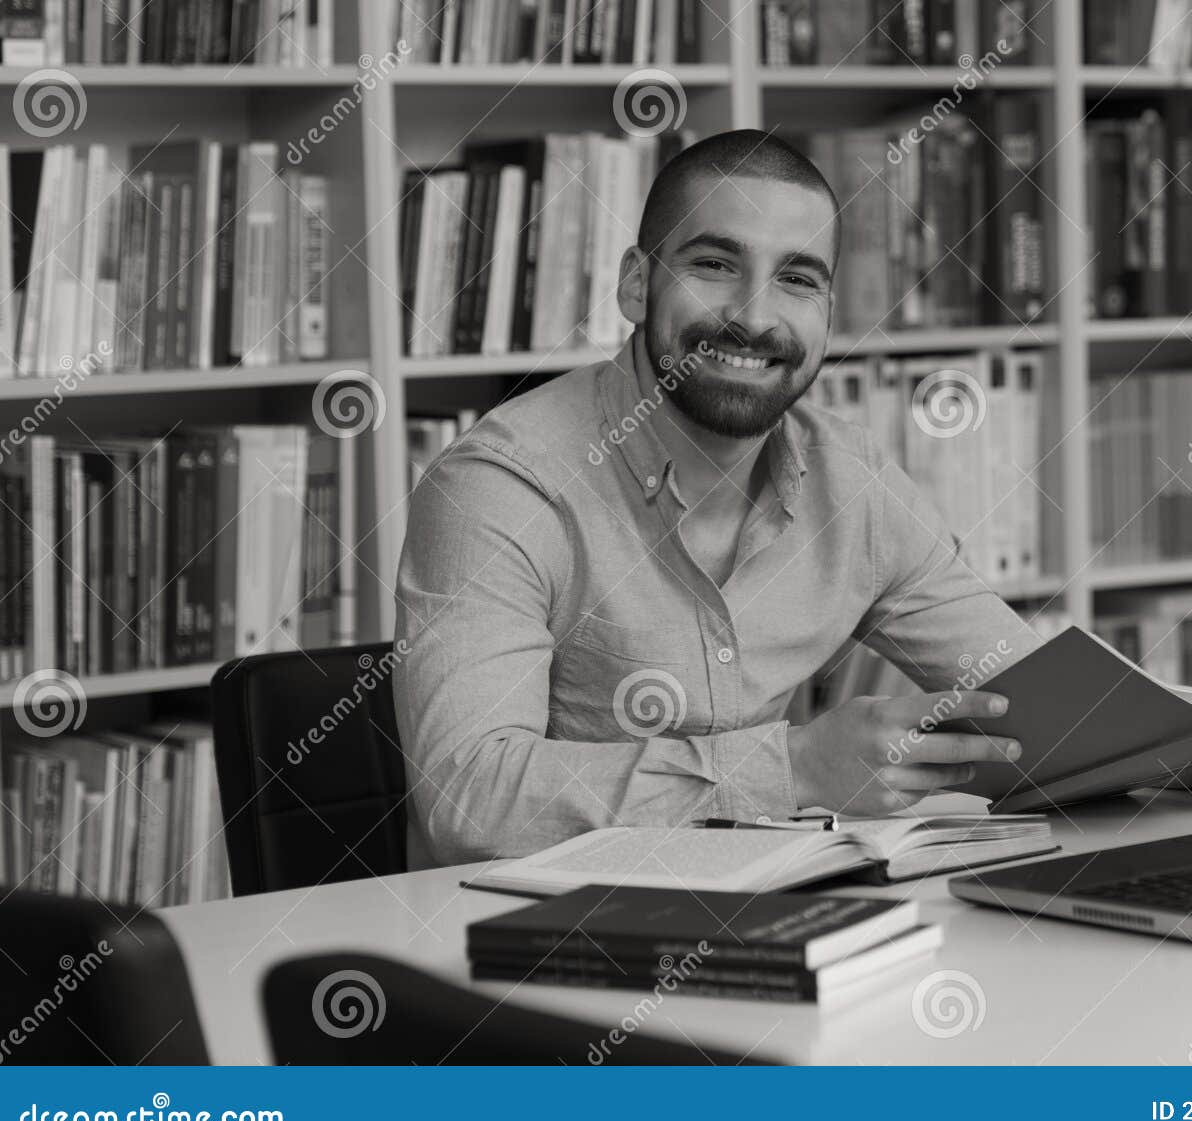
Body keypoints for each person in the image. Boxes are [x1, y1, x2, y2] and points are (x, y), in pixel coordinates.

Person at [394, 129, 1040, 867]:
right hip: (531, 941)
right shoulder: (503, 485)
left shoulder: (850, 478)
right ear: (638, 283)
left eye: (797, 280)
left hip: (764, 911)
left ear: (829, 311)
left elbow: (1033, 698)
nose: (755, 316)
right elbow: (470, 797)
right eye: (714, 264)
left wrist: (1186, 740)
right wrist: (794, 770)